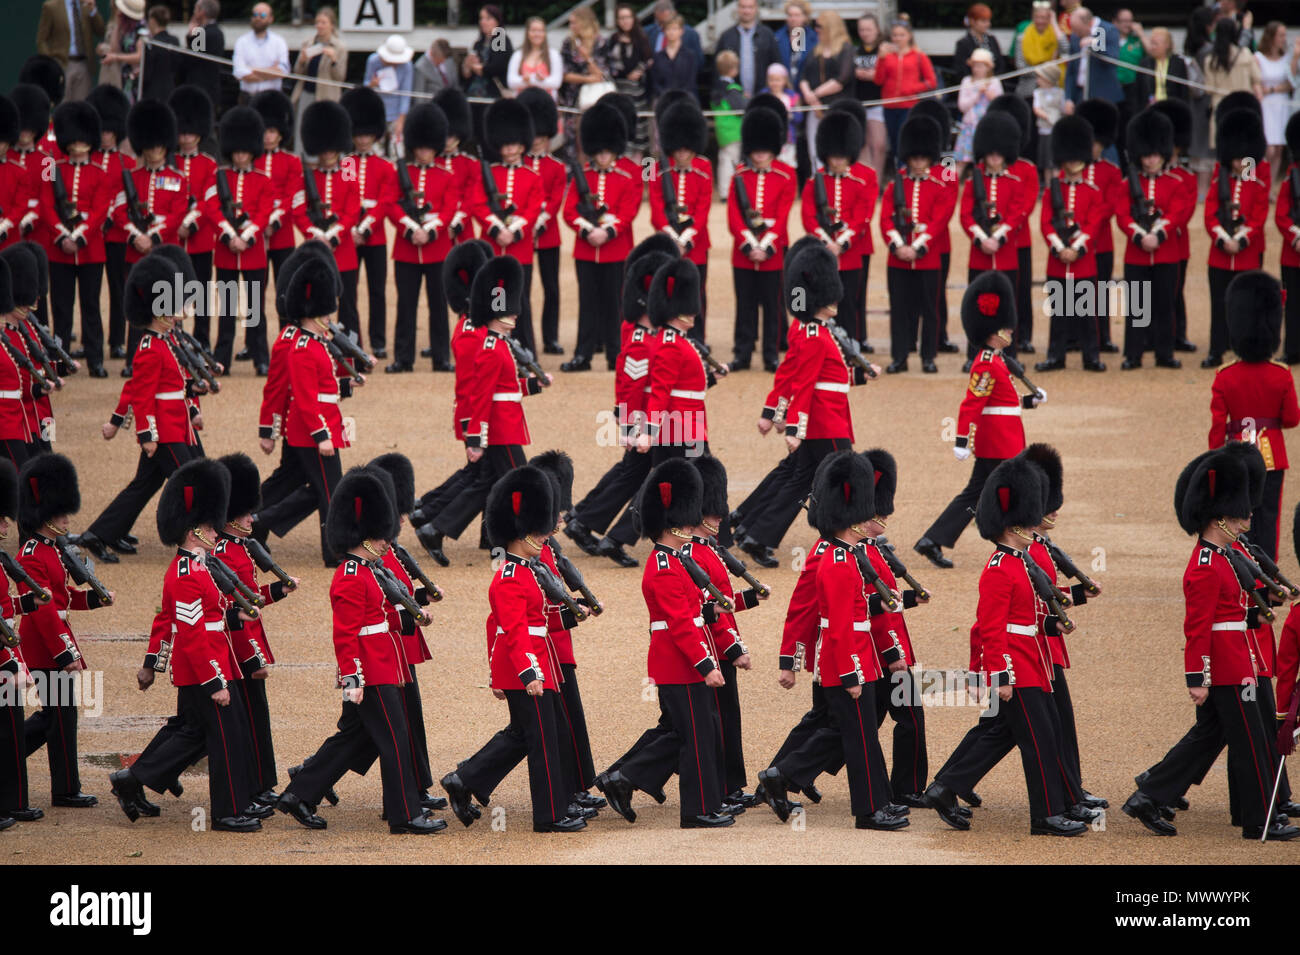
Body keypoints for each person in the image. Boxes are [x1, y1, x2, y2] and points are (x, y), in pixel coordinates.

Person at [1121, 447, 1297, 841]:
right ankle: (1259, 822)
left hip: (1242, 658)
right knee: (1250, 743)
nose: (1248, 518)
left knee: (1209, 737)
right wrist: (1196, 677)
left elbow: (1236, 611)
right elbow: (1197, 628)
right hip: (1228, 666)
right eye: (1240, 513)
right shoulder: (1204, 565)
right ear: (1220, 517)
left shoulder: (1227, 555)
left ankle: (1150, 794)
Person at [923, 454, 1086, 837]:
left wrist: (1053, 623)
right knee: (1039, 741)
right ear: (1013, 524)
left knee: (1018, 734)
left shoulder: (1022, 562)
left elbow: (1026, 617)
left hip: (1035, 661)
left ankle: (947, 787)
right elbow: (991, 628)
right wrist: (998, 676)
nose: (1036, 523)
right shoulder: (999, 568)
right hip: (1017, 667)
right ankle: (1046, 816)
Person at [277, 467, 440, 835]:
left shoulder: (368, 570)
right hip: (371, 671)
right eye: (382, 536)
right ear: (364, 536)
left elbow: (382, 618)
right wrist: (352, 677)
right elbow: (346, 634)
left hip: (386, 663)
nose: (388, 541)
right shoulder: (350, 576)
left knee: (356, 736)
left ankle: (300, 793)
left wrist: (413, 619)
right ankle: (405, 815)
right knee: (395, 739)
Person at [109, 458, 266, 831]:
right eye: (211, 527)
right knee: (225, 737)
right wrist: (216, 683)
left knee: (194, 733)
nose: (217, 532)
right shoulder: (186, 573)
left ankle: (132, 779)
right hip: (203, 668)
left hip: (210, 662)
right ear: (195, 529)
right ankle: (228, 813)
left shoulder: (200, 566)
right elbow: (191, 633)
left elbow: (203, 618)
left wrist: (233, 618)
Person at [756, 450, 908, 831]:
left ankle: (875, 801)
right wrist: (852, 675)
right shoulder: (838, 561)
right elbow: (838, 625)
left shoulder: (851, 555)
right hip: (848, 661)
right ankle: (869, 810)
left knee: (859, 735)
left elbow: (860, 610)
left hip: (861, 658)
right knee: (856, 738)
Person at [439, 465, 585, 833]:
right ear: (522, 534)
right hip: (527, 668)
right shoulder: (508, 577)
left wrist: (570, 616)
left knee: (528, 735)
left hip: (540, 663)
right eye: (539, 531)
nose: (545, 536)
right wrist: (530, 673)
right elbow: (515, 632)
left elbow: (538, 621)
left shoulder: (528, 571)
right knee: (542, 742)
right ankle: (549, 816)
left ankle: (466, 779)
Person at [595, 458, 733, 829]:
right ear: (673, 523)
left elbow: (695, 612)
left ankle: (624, 779)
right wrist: (707, 665)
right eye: (687, 520)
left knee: (685, 732)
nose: (693, 524)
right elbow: (682, 624)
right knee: (697, 737)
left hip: (684, 658)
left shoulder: (676, 559)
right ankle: (697, 810)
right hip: (679, 662)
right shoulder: (664, 565)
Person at [417, 256, 551, 563]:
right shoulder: (491, 347)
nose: (515, 316)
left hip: (506, 422)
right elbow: (480, 395)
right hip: (499, 428)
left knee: (490, 484)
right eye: (508, 312)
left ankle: (438, 529)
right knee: (519, 484)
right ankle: (513, 541)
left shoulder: (500, 343)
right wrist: (475, 438)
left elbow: (505, 388)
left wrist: (531, 385)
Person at [914, 272, 1044, 569]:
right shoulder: (985, 364)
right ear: (993, 332)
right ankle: (1019, 545)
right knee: (1015, 491)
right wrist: (961, 441)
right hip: (998, 442)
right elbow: (972, 404)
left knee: (978, 493)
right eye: (1005, 330)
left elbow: (1004, 402)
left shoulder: (997, 360)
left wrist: (1030, 401)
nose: (1009, 334)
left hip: (1004, 437)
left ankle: (933, 539)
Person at [562, 236, 677, 568]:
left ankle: (583, 521)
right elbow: (632, 387)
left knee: (631, 473)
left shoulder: (650, 331)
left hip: (651, 416)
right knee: (643, 475)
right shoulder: (641, 338)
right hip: (645, 419)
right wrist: (628, 424)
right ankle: (612, 533)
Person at [79, 252, 201, 562]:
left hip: (177, 424)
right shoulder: (149, 347)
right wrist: (147, 435)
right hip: (165, 431)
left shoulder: (165, 342)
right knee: (189, 482)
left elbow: (175, 385)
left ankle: (102, 533)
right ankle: (195, 539)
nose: (176, 314)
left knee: (143, 485)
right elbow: (142, 395)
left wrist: (194, 405)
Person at [18, 453, 113, 812]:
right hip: (44, 646)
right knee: (56, 719)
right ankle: (62, 788)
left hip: (56, 638)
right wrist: (65, 654)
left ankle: (65, 788)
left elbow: (64, 599)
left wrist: (96, 601)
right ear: (45, 514)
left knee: (59, 718)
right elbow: (43, 610)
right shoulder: (31, 553)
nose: (66, 519)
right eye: (61, 514)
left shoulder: (53, 549)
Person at [249, 246, 355, 566]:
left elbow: (322, 387)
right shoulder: (297, 344)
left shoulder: (314, 342)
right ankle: (334, 551)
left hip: (314, 425)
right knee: (329, 490)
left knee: (299, 483)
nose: (330, 319)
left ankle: (254, 521)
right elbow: (292, 393)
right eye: (325, 313)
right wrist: (273, 430)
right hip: (310, 428)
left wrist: (348, 383)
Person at [214, 452, 299, 807]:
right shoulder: (221, 551)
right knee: (243, 720)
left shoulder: (239, 547)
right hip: (236, 647)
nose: (252, 517)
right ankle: (251, 787)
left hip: (248, 639)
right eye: (246, 512)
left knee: (255, 717)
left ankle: (261, 783)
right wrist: (253, 658)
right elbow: (228, 610)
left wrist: (278, 590)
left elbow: (250, 598)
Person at [1208, 272, 1298, 561]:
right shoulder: (1281, 375)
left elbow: (1217, 426)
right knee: (1268, 517)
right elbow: (1292, 419)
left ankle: (1242, 572)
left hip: (1236, 455)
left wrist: (1215, 457)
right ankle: (1268, 575)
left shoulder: (1226, 376)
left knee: (1238, 518)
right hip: (1272, 454)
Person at [39, 100, 115, 377]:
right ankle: (60, 359)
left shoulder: (101, 172)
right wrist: (62, 235)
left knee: (91, 306)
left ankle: (95, 358)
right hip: (60, 249)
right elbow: (46, 205)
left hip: (90, 249)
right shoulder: (53, 167)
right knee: (61, 307)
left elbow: (99, 210)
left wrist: (79, 236)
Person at [562, 102, 639, 372]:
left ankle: (616, 355)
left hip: (615, 249)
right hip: (586, 250)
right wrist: (587, 230)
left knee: (614, 304)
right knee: (587, 303)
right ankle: (583, 354)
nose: (603, 156)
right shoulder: (583, 175)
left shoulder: (627, 176)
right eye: (599, 151)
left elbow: (629, 211)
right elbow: (569, 210)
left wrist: (606, 231)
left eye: (608, 151)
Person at [1116, 108, 1191, 370]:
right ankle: (1133, 354)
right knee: (1137, 306)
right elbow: (1122, 215)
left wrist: (1157, 234)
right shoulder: (1128, 184)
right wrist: (1140, 235)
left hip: (1166, 252)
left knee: (1164, 304)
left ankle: (1165, 352)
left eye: (1156, 155)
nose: (1150, 161)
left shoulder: (1175, 183)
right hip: (1137, 252)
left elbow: (1177, 212)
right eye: (1146, 156)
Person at [879, 115, 953, 375]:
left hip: (927, 257)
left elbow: (939, 220)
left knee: (929, 310)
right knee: (899, 308)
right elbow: (885, 219)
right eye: (915, 158)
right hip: (898, 256)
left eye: (923, 158)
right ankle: (899, 356)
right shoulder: (895, 184)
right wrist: (899, 245)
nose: (919, 163)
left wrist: (918, 247)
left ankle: (928, 356)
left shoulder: (939, 185)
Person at [389, 102, 457, 375]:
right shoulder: (402, 173)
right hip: (406, 249)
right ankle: (403, 358)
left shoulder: (446, 176)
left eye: (428, 148)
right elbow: (391, 205)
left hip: (437, 249)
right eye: (419, 147)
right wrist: (409, 229)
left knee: (438, 306)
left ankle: (441, 357)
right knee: (406, 305)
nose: (423, 152)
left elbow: (451, 208)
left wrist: (429, 230)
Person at [1035, 115, 1107, 372]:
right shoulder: (1052, 190)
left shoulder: (1093, 191)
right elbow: (1045, 223)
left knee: (1087, 315)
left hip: (1082, 262)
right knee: (1059, 315)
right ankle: (1056, 356)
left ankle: (1091, 356)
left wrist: (1075, 248)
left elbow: (1093, 224)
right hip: (1058, 262)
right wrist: (1059, 247)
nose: (1073, 161)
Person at [727, 107, 794, 373]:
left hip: (772, 252)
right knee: (745, 305)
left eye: (764, 150)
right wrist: (747, 244)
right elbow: (733, 214)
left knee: (772, 305)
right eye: (756, 150)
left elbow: (782, 216)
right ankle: (742, 353)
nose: (760, 155)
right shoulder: (739, 175)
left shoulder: (786, 176)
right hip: (743, 253)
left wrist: (765, 245)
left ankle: (771, 354)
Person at [475, 97, 544, 357]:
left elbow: (533, 208)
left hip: (520, 249)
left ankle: (525, 350)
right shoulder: (489, 172)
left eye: (514, 143)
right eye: (505, 144)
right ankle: (495, 350)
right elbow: (478, 204)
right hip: (494, 246)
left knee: (520, 301)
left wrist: (513, 231)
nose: (510, 149)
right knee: (495, 299)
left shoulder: (532, 176)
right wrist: (496, 230)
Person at [206, 106, 272, 375]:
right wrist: (228, 234)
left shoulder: (262, 179)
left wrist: (245, 236)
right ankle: (223, 358)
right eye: (237, 150)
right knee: (227, 309)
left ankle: (260, 358)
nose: (241, 155)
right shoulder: (219, 176)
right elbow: (211, 206)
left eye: (245, 150)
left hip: (252, 250)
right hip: (226, 250)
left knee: (255, 309)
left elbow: (264, 211)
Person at [1202, 109, 1267, 369]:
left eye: (1243, 158)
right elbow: (1209, 214)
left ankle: (1245, 352)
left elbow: (1258, 216)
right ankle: (1216, 349)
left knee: (1246, 307)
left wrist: (1240, 240)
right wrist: (1222, 240)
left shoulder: (1255, 179)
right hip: (1220, 254)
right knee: (1219, 305)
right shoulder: (1221, 177)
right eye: (1235, 157)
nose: (1239, 162)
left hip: (1246, 253)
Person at [293, 100, 362, 342]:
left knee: (349, 304)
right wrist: (315, 235)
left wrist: (333, 235)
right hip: (317, 249)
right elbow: (299, 211)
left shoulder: (348, 166)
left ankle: (353, 348)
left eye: (330, 147)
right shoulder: (309, 175)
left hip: (343, 248)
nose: (327, 152)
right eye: (323, 148)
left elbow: (353, 208)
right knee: (319, 301)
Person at [340, 87, 397, 363]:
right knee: (348, 289)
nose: (362, 140)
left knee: (376, 290)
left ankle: (378, 340)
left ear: (375, 135)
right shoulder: (346, 164)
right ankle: (351, 336)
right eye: (358, 134)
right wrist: (352, 228)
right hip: (349, 233)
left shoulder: (385, 166)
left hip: (373, 237)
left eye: (366, 134)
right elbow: (344, 200)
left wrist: (365, 227)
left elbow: (386, 201)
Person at [168, 85, 217, 353]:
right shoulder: (170, 161)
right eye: (182, 132)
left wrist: (191, 222)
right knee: (174, 289)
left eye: (190, 133)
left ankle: (202, 339)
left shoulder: (209, 164)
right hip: (175, 237)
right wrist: (179, 223)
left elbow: (208, 200)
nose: (185, 138)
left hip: (199, 239)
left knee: (201, 292)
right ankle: (175, 336)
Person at [517, 89, 566, 356]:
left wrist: (540, 220)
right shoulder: (519, 166)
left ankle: (551, 337)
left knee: (551, 288)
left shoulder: (556, 167)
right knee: (523, 288)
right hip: (522, 234)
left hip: (547, 233)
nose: (537, 141)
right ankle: (523, 336)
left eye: (541, 136)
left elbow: (556, 200)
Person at [87, 83, 133, 361]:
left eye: (109, 131)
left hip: (116, 234)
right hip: (91, 235)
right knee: (91, 294)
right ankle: (93, 341)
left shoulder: (126, 161)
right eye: (102, 131)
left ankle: (117, 340)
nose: (105, 136)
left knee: (118, 290)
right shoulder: (88, 160)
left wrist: (109, 217)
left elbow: (126, 196)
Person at [249, 90, 302, 303]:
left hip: (282, 235)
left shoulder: (292, 161)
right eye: (264, 131)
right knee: (255, 294)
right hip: (255, 233)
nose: (268, 136)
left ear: (280, 133)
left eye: (272, 131)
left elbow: (292, 197)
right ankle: (257, 338)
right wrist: (261, 225)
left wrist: (273, 222)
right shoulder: (252, 161)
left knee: (285, 290)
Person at [875, 19, 937, 163]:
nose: (898, 38)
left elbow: (931, 82)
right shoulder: (887, 56)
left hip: (909, 106)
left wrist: (911, 89)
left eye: (901, 35)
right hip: (889, 106)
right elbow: (878, 80)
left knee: (905, 140)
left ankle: (904, 172)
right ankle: (899, 172)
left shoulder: (919, 56)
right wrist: (881, 59)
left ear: (909, 36)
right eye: (895, 35)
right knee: (894, 142)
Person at [797, 11, 855, 162]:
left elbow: (842, 79)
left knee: (835, 150)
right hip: (815, 108)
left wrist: (815, 95)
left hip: (837, 109)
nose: (816, 29)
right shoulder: (816, 50)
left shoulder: (846, 49)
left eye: (820, 26)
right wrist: (810, 97)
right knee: (814, 150)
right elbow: (803, 76)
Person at [291, 8, 347, 155]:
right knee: (303, 129)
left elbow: (340, 77)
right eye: (317, 22)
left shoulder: (340, 47)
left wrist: (334, 59)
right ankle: (302, 161)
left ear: (331, 25)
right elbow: (298, 72)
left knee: (327, 130)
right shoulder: (308, 43)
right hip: (307, 93)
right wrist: (302, 61)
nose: (320, 26)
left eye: (323, 22)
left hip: (327, 96)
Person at [1202, 16, 1262, 149]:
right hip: (1244, 105)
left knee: (1224, 152)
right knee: (1245, 150)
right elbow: (1257, 78)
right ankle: (1247, 171)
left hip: (1221, 108)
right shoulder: (1245, 54)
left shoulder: (1211, 60)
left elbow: (1208, 89)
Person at [602, 4, 653, 154]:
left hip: (636, 93)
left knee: (639, 138)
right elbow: (607, 63)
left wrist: (639, 71)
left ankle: (644, 175)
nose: (625, 21)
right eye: (622, 18)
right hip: (618, 91)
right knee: (620, 133)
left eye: (628, 17)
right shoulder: (613, 40)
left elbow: (649, 60)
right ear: (618, 21)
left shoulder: (642, 38)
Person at [462, 3, 513, 149]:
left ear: (497, 21)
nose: (483, 22)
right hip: (474, 96)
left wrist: (480, 68)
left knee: (489, 137)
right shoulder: (478, 43)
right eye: (481, 18)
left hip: (491, 95)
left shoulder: (499, 38)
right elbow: (468, 73)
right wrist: (468, 66)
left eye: (488, 18)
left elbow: (497, 66)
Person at [558, 6, 605, 163]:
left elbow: (601, 74)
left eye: (574, 23)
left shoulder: (600, 42)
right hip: (573, 101)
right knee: (574, 144)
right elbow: (564, 74)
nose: (571, 26)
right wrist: (587, 79)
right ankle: (577, 180)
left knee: (594, 141)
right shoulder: (568, 43)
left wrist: (587, 58)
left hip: (594, 100)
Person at [36, 0, 105, 102]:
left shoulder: (86, 5)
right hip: (62, 63)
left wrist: (93, 11)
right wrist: (51, 63)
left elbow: (101, 31)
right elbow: (41, 40)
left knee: (82, 107)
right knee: (62, 105)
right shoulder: (51, 7)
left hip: (84, 64)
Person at [1063, 8, 1123, 112]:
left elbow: (1113, 58)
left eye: (1078, 30)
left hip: (1103, 96)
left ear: (1089, 23)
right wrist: (1068, 98)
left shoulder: (1109, 30)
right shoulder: (1075, 37)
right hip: (1080, 95)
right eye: (1074, 30)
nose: (1076, 34)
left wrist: (1095, 45)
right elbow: (1071, 70)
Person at [364, 35, 414, 157]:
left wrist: (401, 120)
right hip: (376, 112)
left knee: (397, 152)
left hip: (396, 113)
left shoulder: (407, 66)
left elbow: (406, 93)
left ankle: (397, 175)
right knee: (375, 152)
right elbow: (365, 86)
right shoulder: (373, 61)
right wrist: (372, 84)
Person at [853, 14, 889, 178]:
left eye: (869, 29)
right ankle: (864, 182)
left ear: (877, 30)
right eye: (861, 29)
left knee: (879, 144)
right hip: (859, 103)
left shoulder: (885, 49)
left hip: (879, 102)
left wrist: (876, 74)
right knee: (862, 145)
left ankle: (877, 180)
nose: (865, 33)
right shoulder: (855, 51)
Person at [717, 0, 776, 98]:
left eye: (750, 7)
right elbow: (717, 71)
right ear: (737, 9)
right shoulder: (726, 36)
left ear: (756, 9)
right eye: (743, 7)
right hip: (733, 99)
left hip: (763, 96)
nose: (746, 11)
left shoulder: (767, 35)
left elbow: (776, 65)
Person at [1277, 113, 1300, 362]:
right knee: (1292, 304)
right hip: (1293, 253)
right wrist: (1296, 238)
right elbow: (1281, 215)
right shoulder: (1292, 174)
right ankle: (1292, 348)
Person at [955, 49, 1002, 170]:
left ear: (988, 67)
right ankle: (953, 187)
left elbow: (1000, 104)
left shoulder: (994, 82)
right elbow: (962, 106)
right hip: (969, 127)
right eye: (974, 66)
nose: (976, 69)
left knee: (988, 161)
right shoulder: (966, 82)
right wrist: (976, 95)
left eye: (980, 66)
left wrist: (988, 93)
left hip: (988, 127)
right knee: (962, 161)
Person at [232, 3, 290, 103]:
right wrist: (271, 72)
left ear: (271, 19)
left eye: (262, 15)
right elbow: (239, 72)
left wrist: (253, 70)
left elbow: (283, 70)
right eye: (255, 15)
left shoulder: (279, 42)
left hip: (272, 99)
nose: (258, 18)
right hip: (248, 98)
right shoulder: (241, 42)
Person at [177, 0, 226, 115]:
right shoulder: (218, 31)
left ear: (202, 12)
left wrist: (190, 36)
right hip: (212, 88)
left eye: (195, 9)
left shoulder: (201, 33)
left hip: (199, 88)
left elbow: (190, 60)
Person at [1255, 22, 1291, 174]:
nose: (1284, 39)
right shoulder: (1258, 57)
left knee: (1278, 149)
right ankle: (1253, 180)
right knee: (1267, 149)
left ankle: (1269, 189)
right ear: (1271, 36)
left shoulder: (1287, 58)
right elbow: (1255, 81)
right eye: (1281, 35)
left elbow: (1291, 82)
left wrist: (1272, 89)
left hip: (1281, 105)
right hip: (1264, 105)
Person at [711, 50, 746, 202]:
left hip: (722, 130)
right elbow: (741, 109)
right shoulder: (733, 90)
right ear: (734, 69)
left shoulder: (715, 87)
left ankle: (724, 191)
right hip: (734, 131)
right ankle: (732, 192)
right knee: (734, 162)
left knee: (724, 160)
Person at [508, 17, 563, 98]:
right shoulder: (518, 55)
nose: (537, 34)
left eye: (540, 31)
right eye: (533, 31)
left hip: (546, 103)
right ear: (527, 33)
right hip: (523, 102)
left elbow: (556, 82)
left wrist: (530, 80)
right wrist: (531, 79)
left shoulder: (553, 55)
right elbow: (511, 82)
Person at [650, 15, 699, 104]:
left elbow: (690, 82)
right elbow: (655, 83)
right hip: (663, 101)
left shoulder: (689, 56)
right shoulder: (658, 56)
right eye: (668, 29)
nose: (671, 32)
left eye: (674, 29)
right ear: (664, 31)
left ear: (681, 31)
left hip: (684, 101)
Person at [1137, 27, 1190, 105]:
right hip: (1151, 108)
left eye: (1156, 44)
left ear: (1167, 45)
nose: (1153, 47)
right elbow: (1138, 91)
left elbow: (1183, 92)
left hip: (1173, 107)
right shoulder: (1145, 63)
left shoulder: (1178, 63)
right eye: (1152, 43)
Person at [952, 3, 1006, 80]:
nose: (988, 24)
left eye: (988, 20)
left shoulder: (992, 40)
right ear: (972, 21)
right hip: (972, 86)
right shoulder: (963, 43)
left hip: (993, 84)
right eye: (983, 21)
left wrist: (991, 81)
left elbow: (1001, 65)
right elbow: (961, 70)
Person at [1032, 64, 1064, 175]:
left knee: (1055, 161)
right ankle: (1048, 186)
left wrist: (1057, 118)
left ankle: (1056, 184)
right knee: (1045, 161)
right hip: (1044, 129)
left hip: (1056, 130)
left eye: (1040, 77)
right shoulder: (1038, 93)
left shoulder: (1060, 93)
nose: (1038, 80)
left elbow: (1062, 108)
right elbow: (1037, 108)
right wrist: (1047, 116)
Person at [775, 1, 811, 88]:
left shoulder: (813, 38)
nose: (793, 19)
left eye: (797, 15)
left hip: (807, 89)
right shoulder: (777, 37)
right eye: (790, 15)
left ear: (805, 17)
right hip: (783, 89)